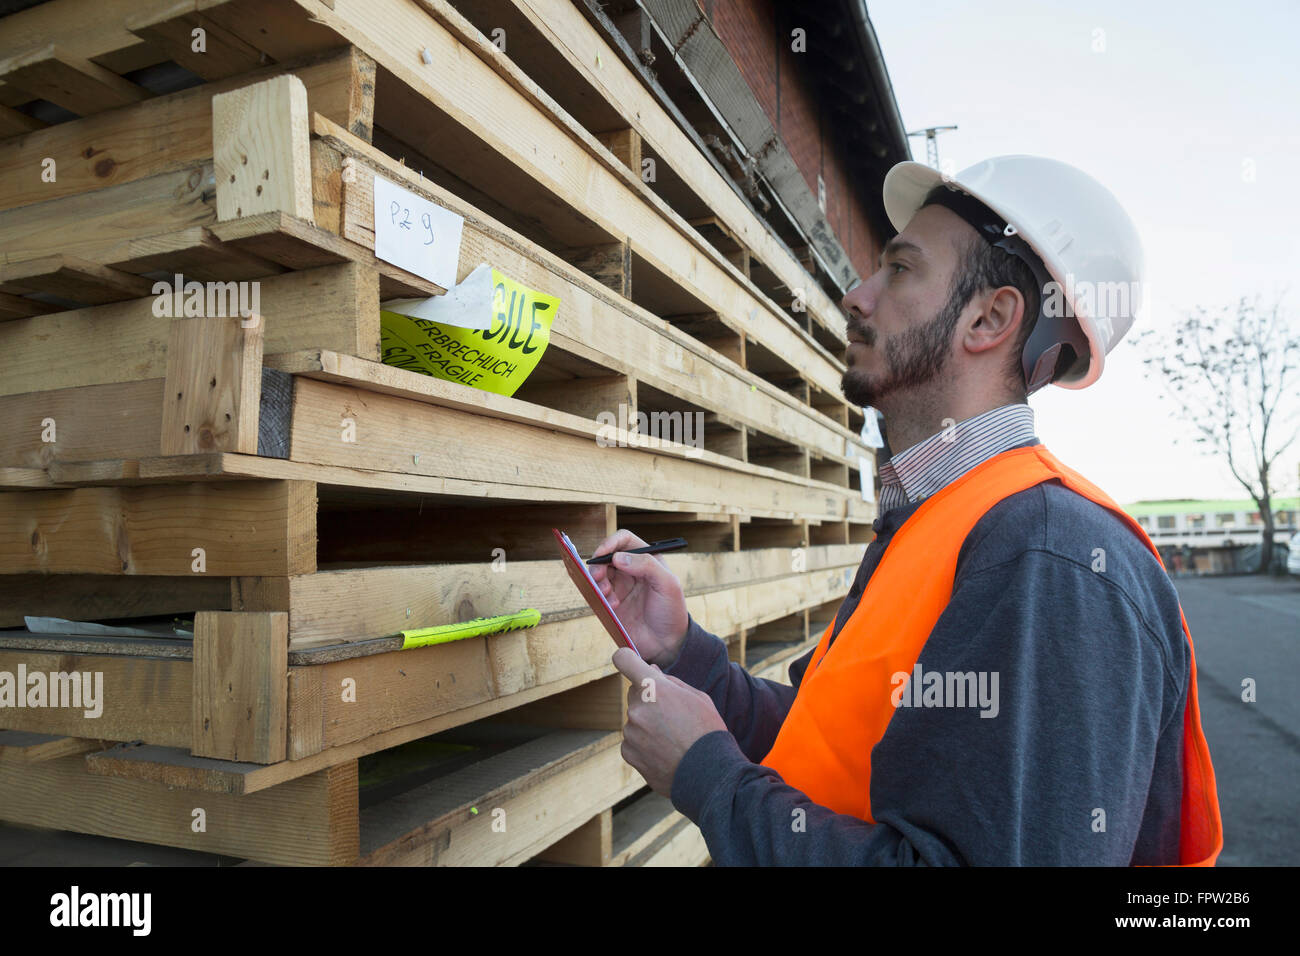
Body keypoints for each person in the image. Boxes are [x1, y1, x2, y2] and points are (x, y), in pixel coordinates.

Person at [592, 155, 1223, 866]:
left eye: (899, 270)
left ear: (989, 318)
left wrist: (708, 776)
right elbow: (831, 752)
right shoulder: (937, 524)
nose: (857, 296)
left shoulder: (1049, 555)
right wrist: (689, 656)